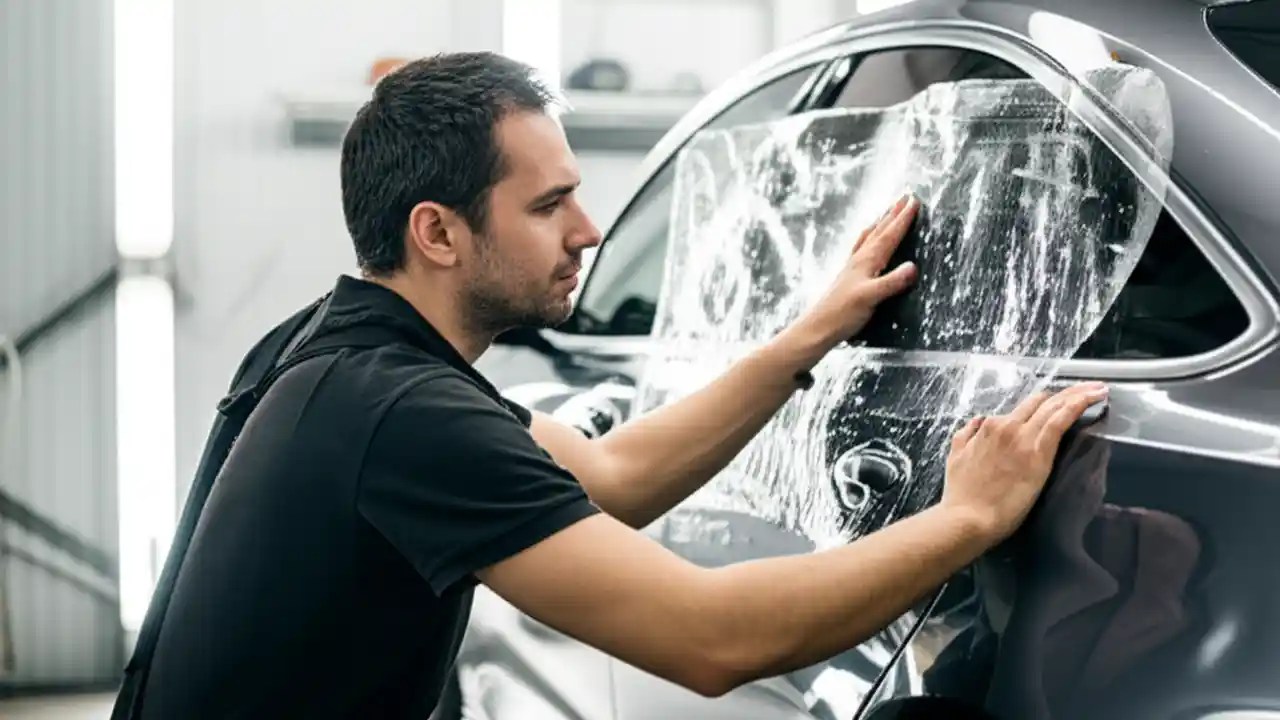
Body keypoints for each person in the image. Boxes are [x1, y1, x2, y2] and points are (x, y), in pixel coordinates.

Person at [133, 52, 1108, 718]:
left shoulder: (329, 347)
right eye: (549, 203)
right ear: (438, 232)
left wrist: (810, 332)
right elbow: (709, 638)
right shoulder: (401, 413)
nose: (588, 230)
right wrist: (967, 519)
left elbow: (614, 475)